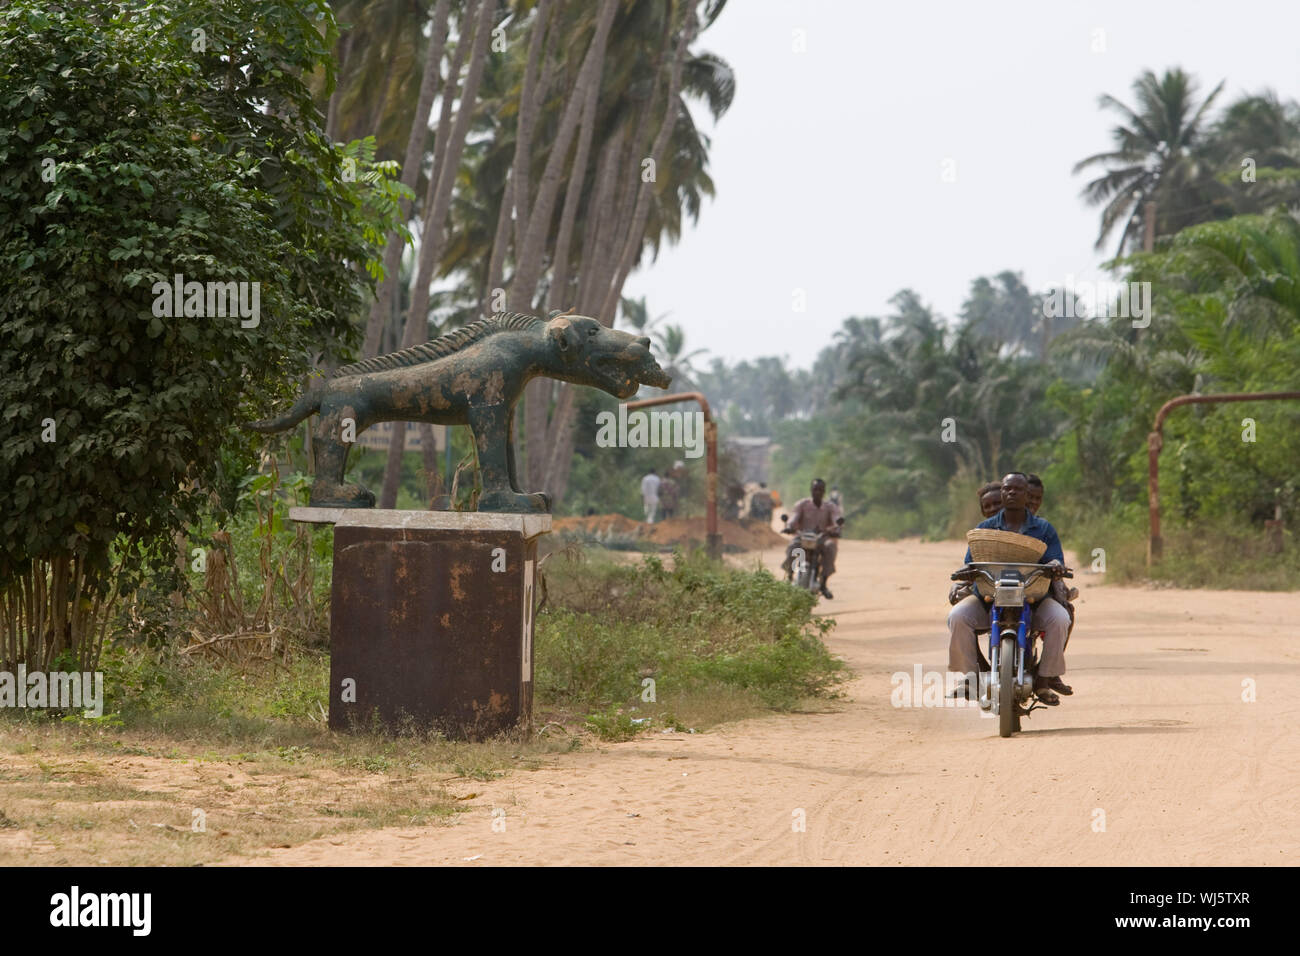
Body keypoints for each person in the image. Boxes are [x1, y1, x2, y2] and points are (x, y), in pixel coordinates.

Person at [947, 472, 1073, 705]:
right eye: (1007, 489)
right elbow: (971, 560)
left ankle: (1044, 680)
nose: (1011, 493)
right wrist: (966, 572)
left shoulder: (1044, 528)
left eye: (1017, 489)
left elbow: (1056, 559)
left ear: (1028, 496)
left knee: (1060, 619)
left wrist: (1055, 566)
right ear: (1002, 492)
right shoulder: (985, 528)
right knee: (957, 617)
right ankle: (971, 676)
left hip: (1034, 597)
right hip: (988, 597)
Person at [781, 478, 841, 599]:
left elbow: (836, 520)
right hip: (802, 536)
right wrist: (789, 527)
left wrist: (836, 529)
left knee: (831, 547)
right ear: (811, 490)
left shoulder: (830, 507)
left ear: (824, 491)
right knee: (792, 547)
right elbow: (794, 518)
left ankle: (823, 583)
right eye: (815, 489)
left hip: (821, 538)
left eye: (820, 490)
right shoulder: (802, 504)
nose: (817, 492)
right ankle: (789, 575)